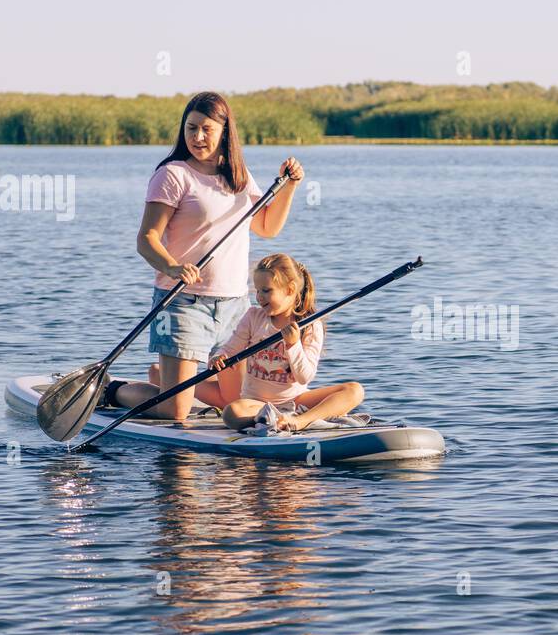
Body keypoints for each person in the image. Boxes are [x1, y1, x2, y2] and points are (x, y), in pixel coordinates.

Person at [105, 91, 303, 420]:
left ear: (224, 132)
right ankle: (112, 390)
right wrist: (172, 265)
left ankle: (167, 382)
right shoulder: (172, 174)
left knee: (233, 401)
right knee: (175, 410)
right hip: (183, 303)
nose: (198, 137)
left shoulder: (238, 176)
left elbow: (267, 227)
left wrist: (290, 186)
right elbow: (146, 239)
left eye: (207, 129)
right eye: (191, 128)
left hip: (236, 306)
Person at [200, 253, 365, 433]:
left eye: (266, 290)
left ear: (290, 289)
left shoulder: (310, 325)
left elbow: (305, 377)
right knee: (231, 413)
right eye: (257, 290)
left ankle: (300, 421)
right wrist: (218, 357)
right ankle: (276, 419)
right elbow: (230, 348)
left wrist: (293, 345)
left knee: (355, 390)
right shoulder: (253, 317)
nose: (259, 297)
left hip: (297, 400)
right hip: (256, 403)